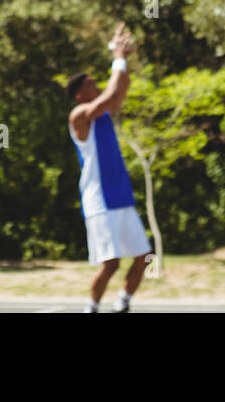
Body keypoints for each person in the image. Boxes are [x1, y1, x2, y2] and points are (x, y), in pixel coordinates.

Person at [66, 23, 152, 312]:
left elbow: (119, 90)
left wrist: (123, 57)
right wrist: (115, 54)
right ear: (79, 94)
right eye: (90, 84)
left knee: (143, 257)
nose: (97, 85)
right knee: (111, 264)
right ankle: (91, 307)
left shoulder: (103, 114)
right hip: (99, 201)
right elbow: (110, 94)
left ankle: (123, 304)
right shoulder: (79, 116)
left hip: (121, 198)